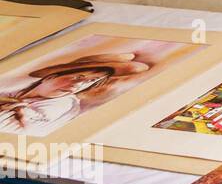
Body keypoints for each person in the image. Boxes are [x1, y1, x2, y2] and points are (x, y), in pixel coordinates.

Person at [0, 53, 147, 136]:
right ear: (51, 76)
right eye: (79, 77)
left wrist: (18, 108)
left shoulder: (64, 103)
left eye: (91, 81)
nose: (77, 85)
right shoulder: (14, 90)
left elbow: (26, 133)